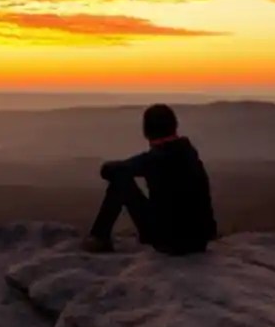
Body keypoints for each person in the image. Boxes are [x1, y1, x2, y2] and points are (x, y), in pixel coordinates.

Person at [82, 104, 217, 255]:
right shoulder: (188, 152)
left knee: (120, 179)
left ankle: (100, 237)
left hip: (169, 241)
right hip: (199, 241)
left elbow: (109, 170)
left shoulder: (155, 158)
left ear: (147, 131)